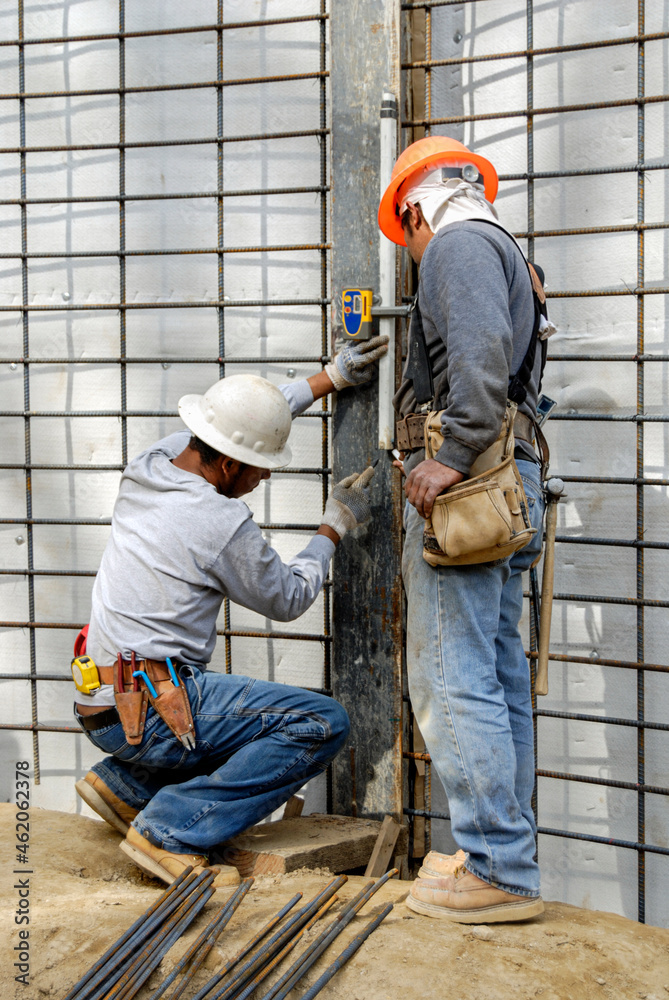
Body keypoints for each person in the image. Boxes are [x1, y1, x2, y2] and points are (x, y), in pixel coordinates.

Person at [73, 335, 388, 887]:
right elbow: (288, 598)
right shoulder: (220, 523)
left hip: (100, 704)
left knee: (237, 719)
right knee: (318, 722)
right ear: (224, 465)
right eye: (258, 468)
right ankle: (169, 831)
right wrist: (331, 528)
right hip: (154, 714)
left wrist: (330, 379)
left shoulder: (151, 463)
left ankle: (126, 789)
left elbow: (238, 419)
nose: (264, 477)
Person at [378, 136, 547, 923]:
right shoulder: (500, 247)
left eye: (404, 234)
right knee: (494, 671)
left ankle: (496, 867)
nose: (410, 251)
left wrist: (451, 453)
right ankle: (503, 856)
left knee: (449, 675)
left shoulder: (456, 245)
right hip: (505, 477)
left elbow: (477, 357)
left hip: (472, 480)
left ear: (414, 206)